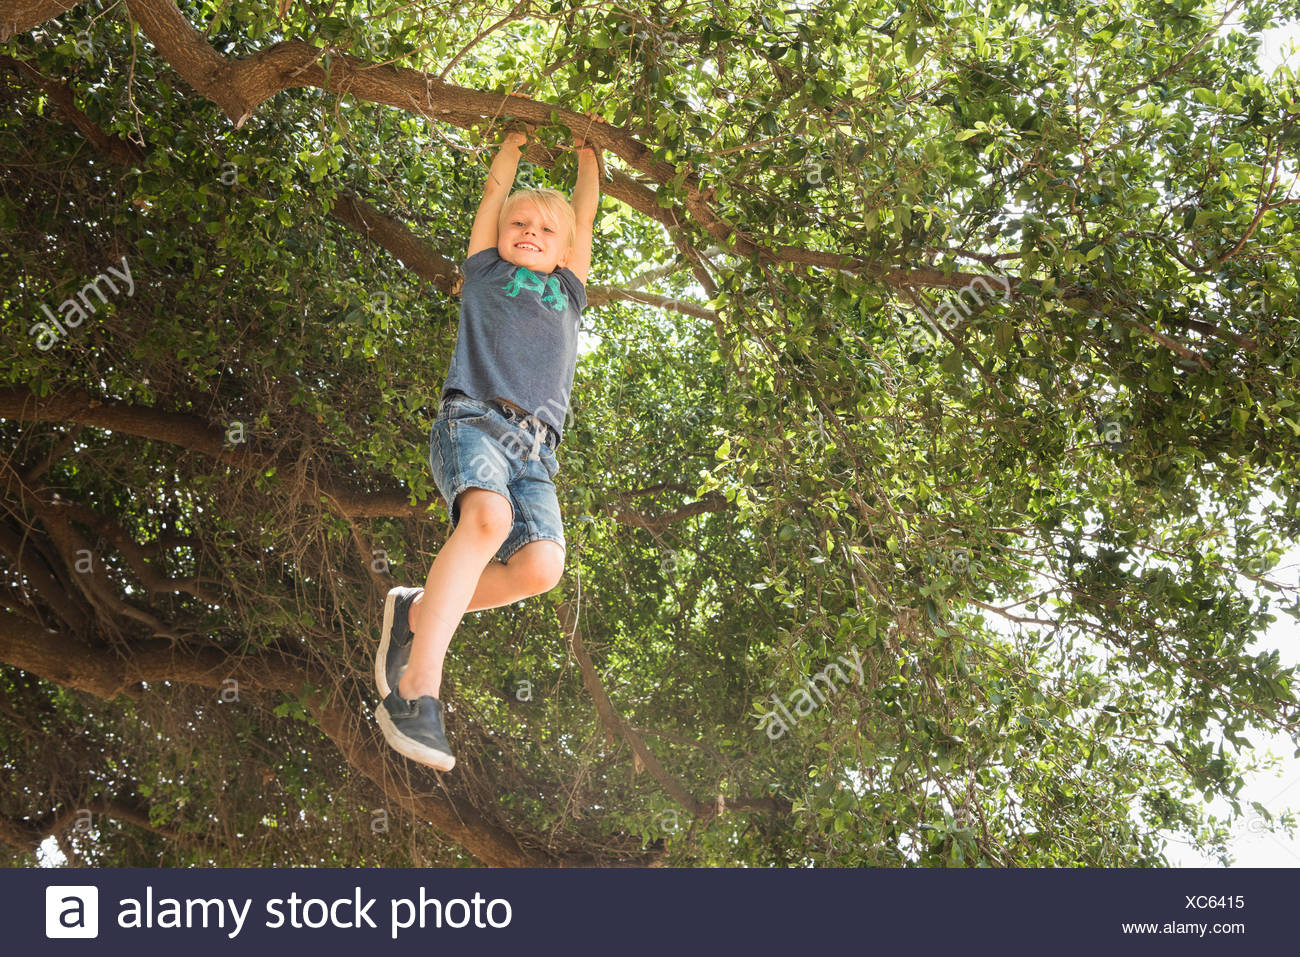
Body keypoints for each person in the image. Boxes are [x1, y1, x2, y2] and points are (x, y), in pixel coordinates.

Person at [374, 121, 601, 770]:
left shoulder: (569, 290)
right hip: (472, 423)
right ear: (500, 234)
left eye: (544, 229)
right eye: (518, 223)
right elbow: (494, 197)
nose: (529, 231)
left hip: (537, 457)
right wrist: (512, 149)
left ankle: (417, 610)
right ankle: (417, 689)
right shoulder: (485, 272)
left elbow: (583, 215)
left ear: (564, 250)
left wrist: (589, 156)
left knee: (541, 568)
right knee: (488, 519)